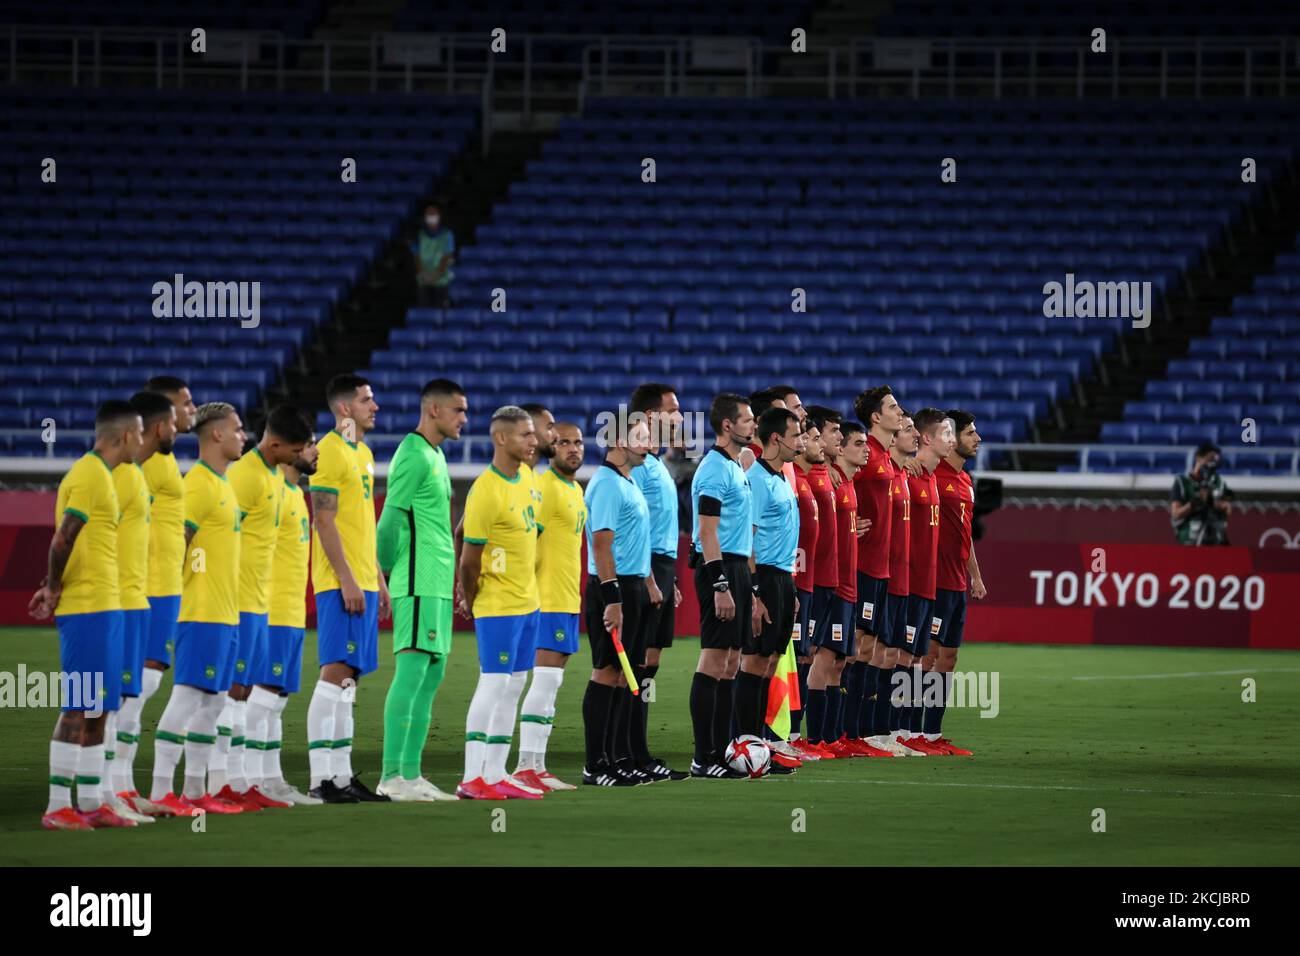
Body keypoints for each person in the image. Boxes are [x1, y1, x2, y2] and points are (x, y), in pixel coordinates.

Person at [31, 400, 143, 830]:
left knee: (98, 709)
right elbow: (63, 537)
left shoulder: (105, 477)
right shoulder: (90, 475)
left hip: (107, 605)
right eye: (137, 433)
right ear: (124, 436)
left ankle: (93, 803)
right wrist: (53, 587)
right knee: (80, 706)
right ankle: (58, 806)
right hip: (87, 608)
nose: (140, 440)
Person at [146, 402, 249, 817]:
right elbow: (177, 546)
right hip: (201, 612)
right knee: (188, 698)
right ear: (217, 435)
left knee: (214, 704)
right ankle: (158, 792)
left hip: (226, 615)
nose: (244, 436)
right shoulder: (200, 486)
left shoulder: (223, 485)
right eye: (238, 429)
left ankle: (193, 792)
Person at [215, 405, 312, 810]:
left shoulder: (278, 481)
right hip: (244, 603)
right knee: (235, 696)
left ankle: (257, 779)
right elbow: (216, 534)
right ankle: (229, 780)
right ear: (275, 444)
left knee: (263, 696)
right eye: (301, 447)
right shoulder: (243, 477)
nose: (307, 453)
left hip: (270, 605)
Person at [375, 379, 466, 802]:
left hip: (435, 584)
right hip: (415, 581)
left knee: (432, 676)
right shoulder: (412, 455)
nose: (464, 419)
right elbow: (389, 522)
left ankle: (410, 774)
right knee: (411, 674)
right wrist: (385, 573)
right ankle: (391, 775)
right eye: (458, 411)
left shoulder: (435, 454)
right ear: (434, 410)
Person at [306, 374, 392, 803]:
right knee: (335, 674)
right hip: (339, 582)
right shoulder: (329, 452)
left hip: (361, 579)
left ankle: (341, 776)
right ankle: (320, 779)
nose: (373, 406)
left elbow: (360, 522)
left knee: (350, 681)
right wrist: (345, 579)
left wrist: (375, 575)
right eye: (365, 400)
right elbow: (323, 520)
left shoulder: (363, 452)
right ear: (344, 409)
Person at [456, 406, 544, 800]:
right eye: (526, 435)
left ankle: (496, 772)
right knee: (492, 684)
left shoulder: (527, 477)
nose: (534, 441)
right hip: (497, 605)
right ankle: (471, 776)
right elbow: (469, 556)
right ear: (501, 439)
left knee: (514, 686)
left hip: (528, 601)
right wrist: (470, 596)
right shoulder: (485, 490)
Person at [108, 390, 177, 821]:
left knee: (129, 696)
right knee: (97, 703)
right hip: (112, 600)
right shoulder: (106, 475)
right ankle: (85, 799)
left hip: (141, 597)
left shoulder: (139, 472)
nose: (181, 420)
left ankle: (120, 790)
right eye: (178, 412)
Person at [581, 418, 655, 787]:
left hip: (631, 588)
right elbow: (600, 545)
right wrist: (613, 599)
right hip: (613, 590)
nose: (648, 443)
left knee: (624, 678)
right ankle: (595, 765)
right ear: (620, 442)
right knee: (607, 673)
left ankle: (614, 759)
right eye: (640, 438)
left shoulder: (627, 481)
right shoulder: (608, 484)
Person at [515, 420, 587, 791]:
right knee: (543, 682)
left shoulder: (574, 488)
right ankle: (526, 765)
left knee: (553, 682)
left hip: (566, 598)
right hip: (545, 599)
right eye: (563, 443)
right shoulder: (544, 487)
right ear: (551, 447)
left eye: (578, 442)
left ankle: (537, 766)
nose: (573, 449)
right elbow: (528, 540)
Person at [688, 393, 756, 779]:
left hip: (737, 568)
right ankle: (704, 756)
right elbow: (707, 532)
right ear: (727, 425)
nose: (753, 425)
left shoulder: (734, 466)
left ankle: (722, 751)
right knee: (714, 660)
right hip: (721, 568)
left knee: (731, 662)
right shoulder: (714, 469)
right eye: (746, 420)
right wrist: (720, 584)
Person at [256, 434, 323, 804]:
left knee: (277, 698)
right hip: (270, 610)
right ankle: (250, 778)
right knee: (261, 696)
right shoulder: (272, 491)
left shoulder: (296, 494)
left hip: (291, 611)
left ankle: (270, 779)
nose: (316, 450)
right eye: (310, 443)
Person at [627, 382, 688, 782]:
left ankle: (638, 751)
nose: (681, 418)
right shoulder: (637, 467)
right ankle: (624, 752)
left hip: (662, 570)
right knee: (632, 667)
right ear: (651, 417)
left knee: (649, 666)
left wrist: (671, 579)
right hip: (644, 571)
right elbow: (634, 529)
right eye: (674, 410)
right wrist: (650, 578)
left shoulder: (658, 464)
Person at [922, 409, 987, 756]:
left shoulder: (965, 481)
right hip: (932, 581)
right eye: (970, 433)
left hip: (957, 582)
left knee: (949, 659)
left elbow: (966, 534)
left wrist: (975, 575)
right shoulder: (932, 473)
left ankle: (932, 733)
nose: (977, 439)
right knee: (927, 657)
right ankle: (908, 730)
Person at [136, 377, 197, 749]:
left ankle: (117, 786)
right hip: (148, 586)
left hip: (166, 584)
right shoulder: (147, 462)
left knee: (147, 677)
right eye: (185, 403)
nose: (192, 410)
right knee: (138, 682)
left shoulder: (164, 459)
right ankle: (109, 786)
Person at [745, 407, 804, 775]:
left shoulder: (781, 478)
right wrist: (753, 593)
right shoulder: (757, 480)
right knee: (754, 664)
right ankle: (744, 741)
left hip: (782, 578)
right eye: (796, 436)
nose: (800, 442)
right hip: (763, 577)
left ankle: (760, 744)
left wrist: (791, 588)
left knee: (768, 664)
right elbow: (745, 539)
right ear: (777, 439)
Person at [851, 386, 907, 756]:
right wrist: (849, 522)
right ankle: (849, 732)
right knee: (857, 649)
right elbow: (840, 482)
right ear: (876, 417)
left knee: (871, 649)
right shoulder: (866, 454)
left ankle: (866, 733)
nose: (900, 412)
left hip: (882, 567)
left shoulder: (885, 457)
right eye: (893, 407)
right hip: (864, 564)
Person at [901, 409, 956, 755]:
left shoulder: (932, 477)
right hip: (905, 583)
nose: (951, 439)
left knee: (918, 656)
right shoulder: (907, 476)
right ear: (927, 438)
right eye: (947, 433)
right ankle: (897, 730)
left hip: (927, 585)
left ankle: (913, 731)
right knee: (902, 657)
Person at [787, 417, 823, 758]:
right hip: (794, 581)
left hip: (807, 582)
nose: (814, 443)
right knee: (793, 659)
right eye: (806, 437)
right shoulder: (789, 479)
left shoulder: (806, 480)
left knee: (805, 656)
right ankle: (786, 736)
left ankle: (796, 735)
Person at [1171, 442, 1233, 545]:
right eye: (1209, 459)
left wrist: (1213, 501)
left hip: (1214, 536)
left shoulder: (1219, 482)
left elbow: (1228, 506)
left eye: (1214, 460)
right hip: (1190, 537)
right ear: (1198, 458)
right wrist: (1195, 502)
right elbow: (1176, 514)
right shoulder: (1182, 482)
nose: (1212, 464)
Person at [412, 201, 455, 309]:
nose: (431, 216)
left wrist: (437, 275)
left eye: (434, 213)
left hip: (441, 281)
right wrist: (422, 273)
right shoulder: (418, 234)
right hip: (423, 281)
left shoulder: (447, 234)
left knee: (441, 311)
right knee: (424, 314)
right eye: (428, 213)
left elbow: (447, 256)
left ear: (439, 215)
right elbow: (416, 256)